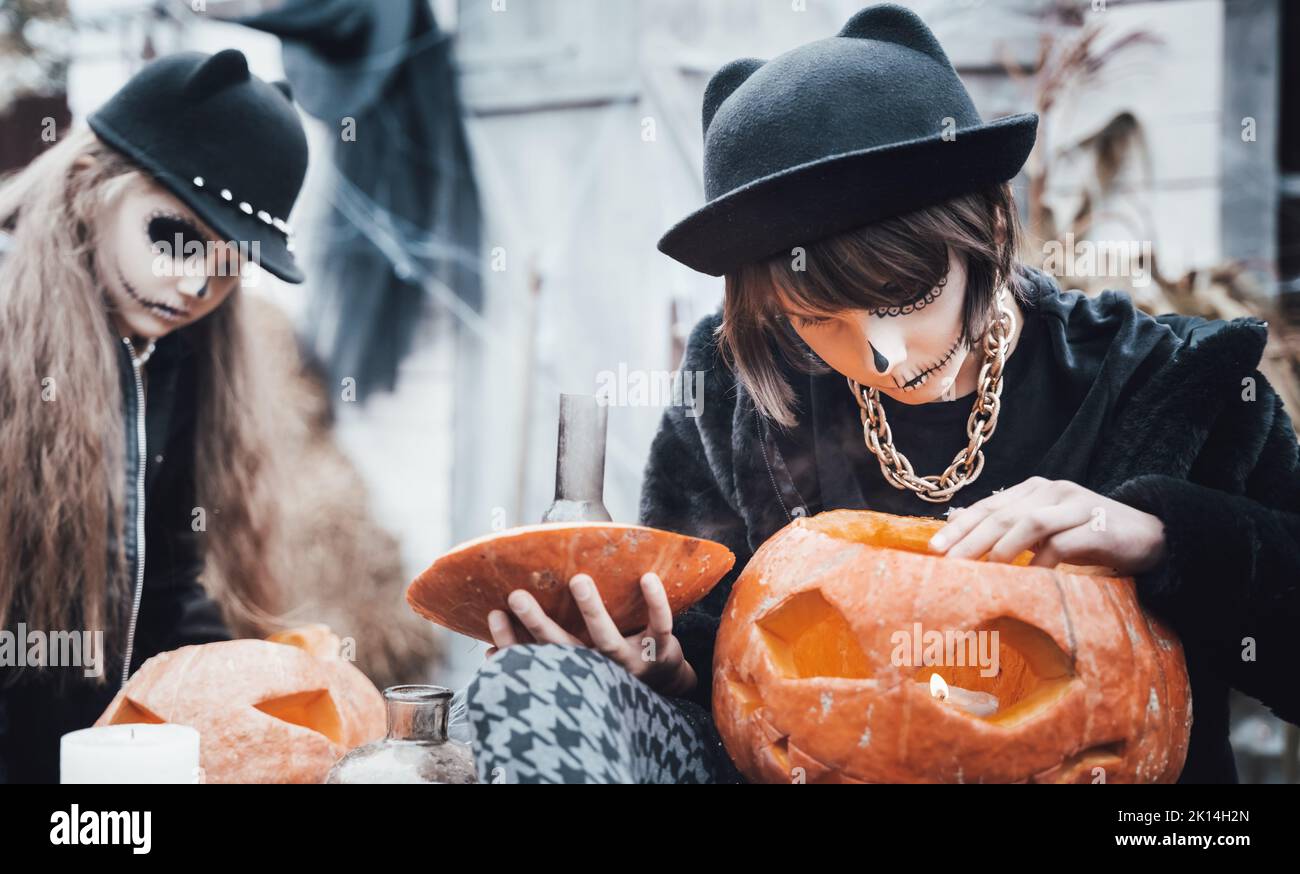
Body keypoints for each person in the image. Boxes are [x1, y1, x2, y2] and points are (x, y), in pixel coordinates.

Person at [464, 3, 1300, 783]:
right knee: (522, 688)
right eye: (819, 319)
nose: (882, 356)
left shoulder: (1174, 381)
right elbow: (722, 664)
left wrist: (1164, 534)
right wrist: (670, 669)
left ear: (987, 230)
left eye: (905, 301)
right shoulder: (735, 389)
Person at [0, 49, 309, 783]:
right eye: (174, 235)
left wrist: (241, 683)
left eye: (230, 261)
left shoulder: (180, 351)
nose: (198, 282)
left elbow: (168, 584)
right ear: (89, 187)